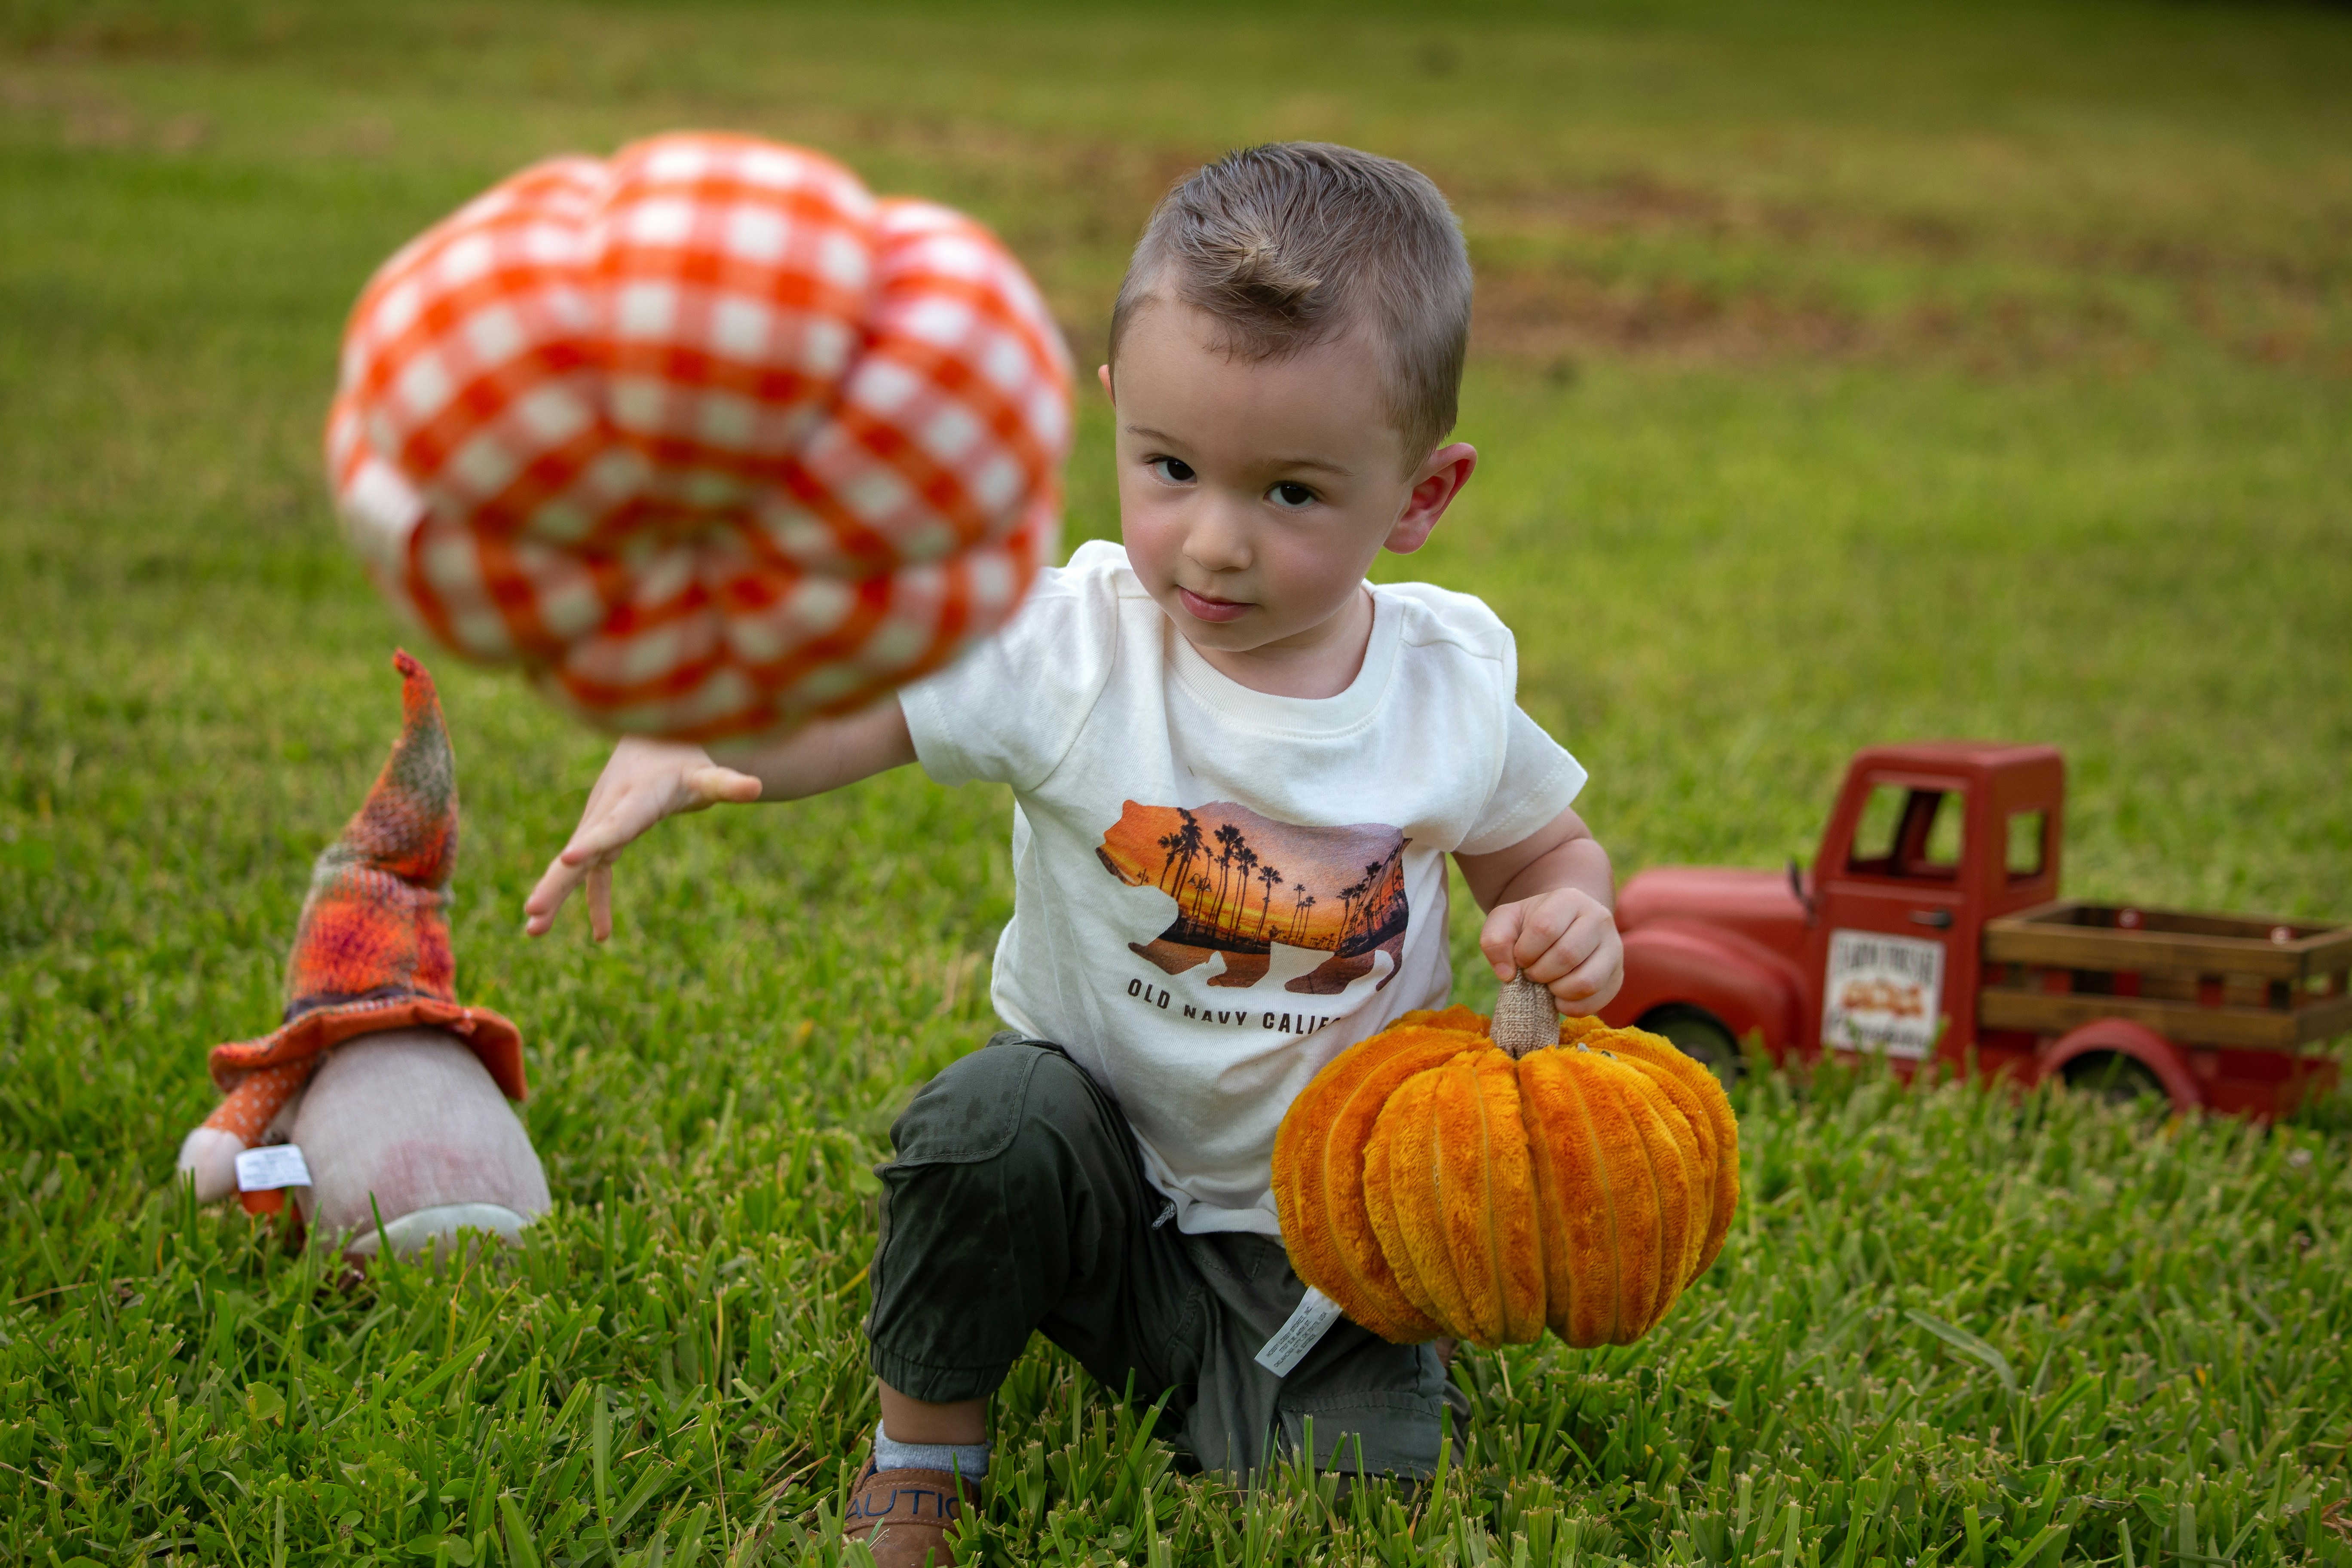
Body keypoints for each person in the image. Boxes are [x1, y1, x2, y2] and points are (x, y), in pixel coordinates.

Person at [525, 142, 1624, 1567]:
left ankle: (1258, 1372)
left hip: (1337, 1231)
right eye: (1169, 470)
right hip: (1091, 1166)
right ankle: (924, 1441)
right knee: (990, 1121)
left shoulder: (1446, 686)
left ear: (1421, 494)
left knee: (1352, 1493)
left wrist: (1572, 918)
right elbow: (871, 705)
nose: (1213, 546)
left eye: (1291, 495)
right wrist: (697, 737)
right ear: (1112, 417)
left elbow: (1546, 851)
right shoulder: (1074, 646)